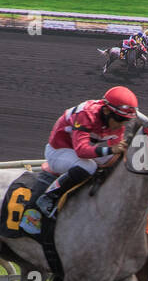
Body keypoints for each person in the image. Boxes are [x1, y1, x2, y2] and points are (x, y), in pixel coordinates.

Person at [34, 86, 139, 217]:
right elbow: (82, 151)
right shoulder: (86, 114)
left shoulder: (115, 120)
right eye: (119, 119)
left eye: (126, 120)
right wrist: (112, 149)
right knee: (88, 166)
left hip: (78, 150)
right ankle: (48, 197)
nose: (121, 125)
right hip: (59, 151)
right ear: (106, 110)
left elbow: (116, 153)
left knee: (116, 160)